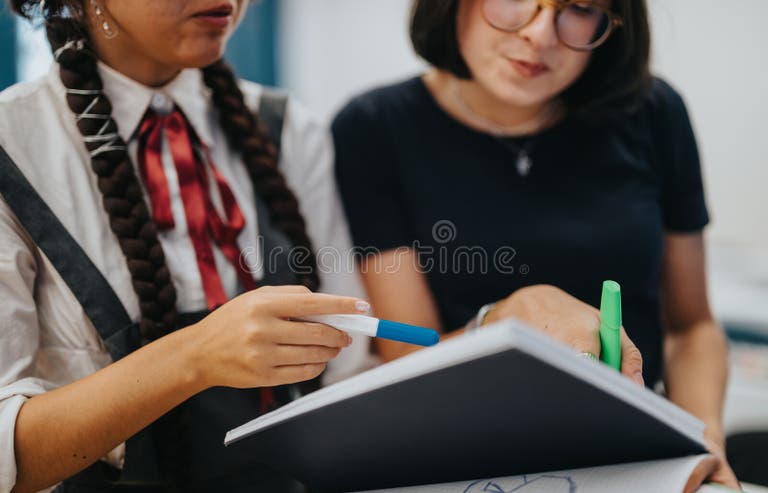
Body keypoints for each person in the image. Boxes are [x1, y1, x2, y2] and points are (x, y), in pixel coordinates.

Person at [0, 1, 627, 491]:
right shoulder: (14, 144)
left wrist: (501, 324)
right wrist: (194, 355)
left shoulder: (290, 131)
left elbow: (355, 373)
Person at [332, 0, 739, 490]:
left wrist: (705, 441)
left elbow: (691, 327)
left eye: (580, 7)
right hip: (462, 460)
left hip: (641, 459)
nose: (541, 34)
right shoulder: (372, 128)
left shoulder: (654, 112)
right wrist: (504, 319)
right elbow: (410, 356)